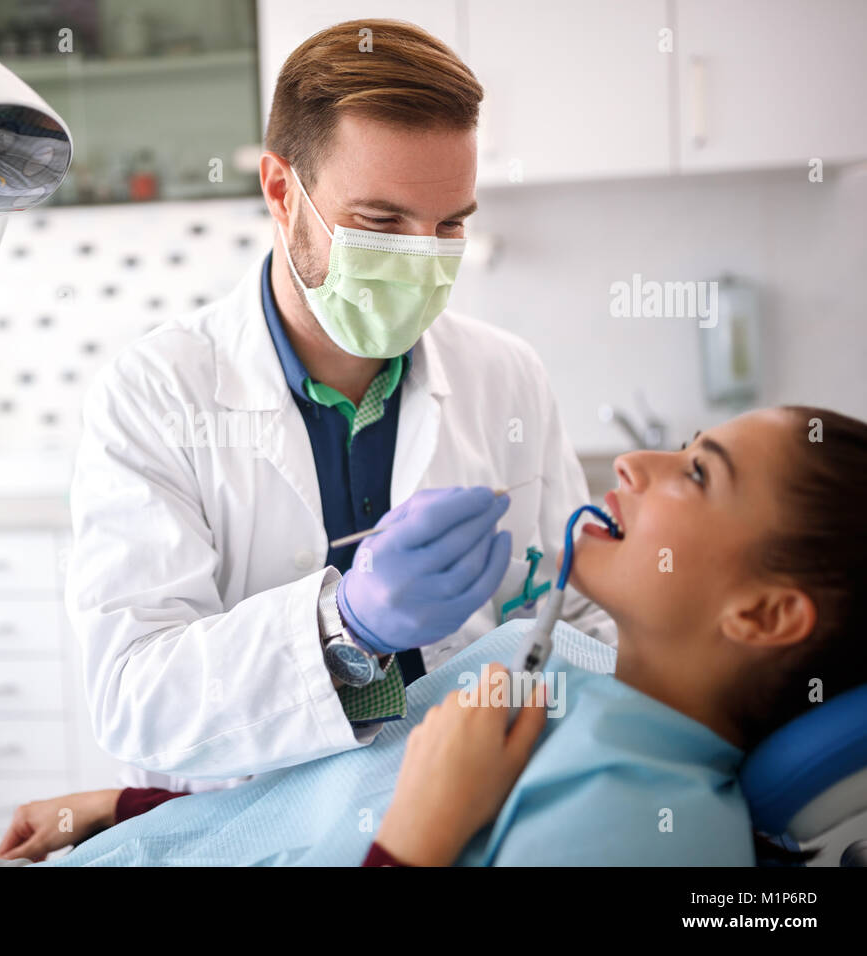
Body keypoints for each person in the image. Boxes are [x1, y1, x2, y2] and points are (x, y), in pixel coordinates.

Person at [65, 18, 612, 797]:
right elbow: (134, 698)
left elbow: (577, 620)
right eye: (381, 222)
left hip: (465, 813)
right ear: (282, 192)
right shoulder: (155, 393)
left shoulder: (506, 375)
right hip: (254, 828)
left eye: (449, 223)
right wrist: (344, 629)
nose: (423, 256)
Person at [0, 407, 867, 865]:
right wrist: (117, 810)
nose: (635, 466)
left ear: (764, 615)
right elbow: (313, 809)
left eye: (700, 472)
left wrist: (421, 834)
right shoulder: (556, 656)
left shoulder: (644, 828)